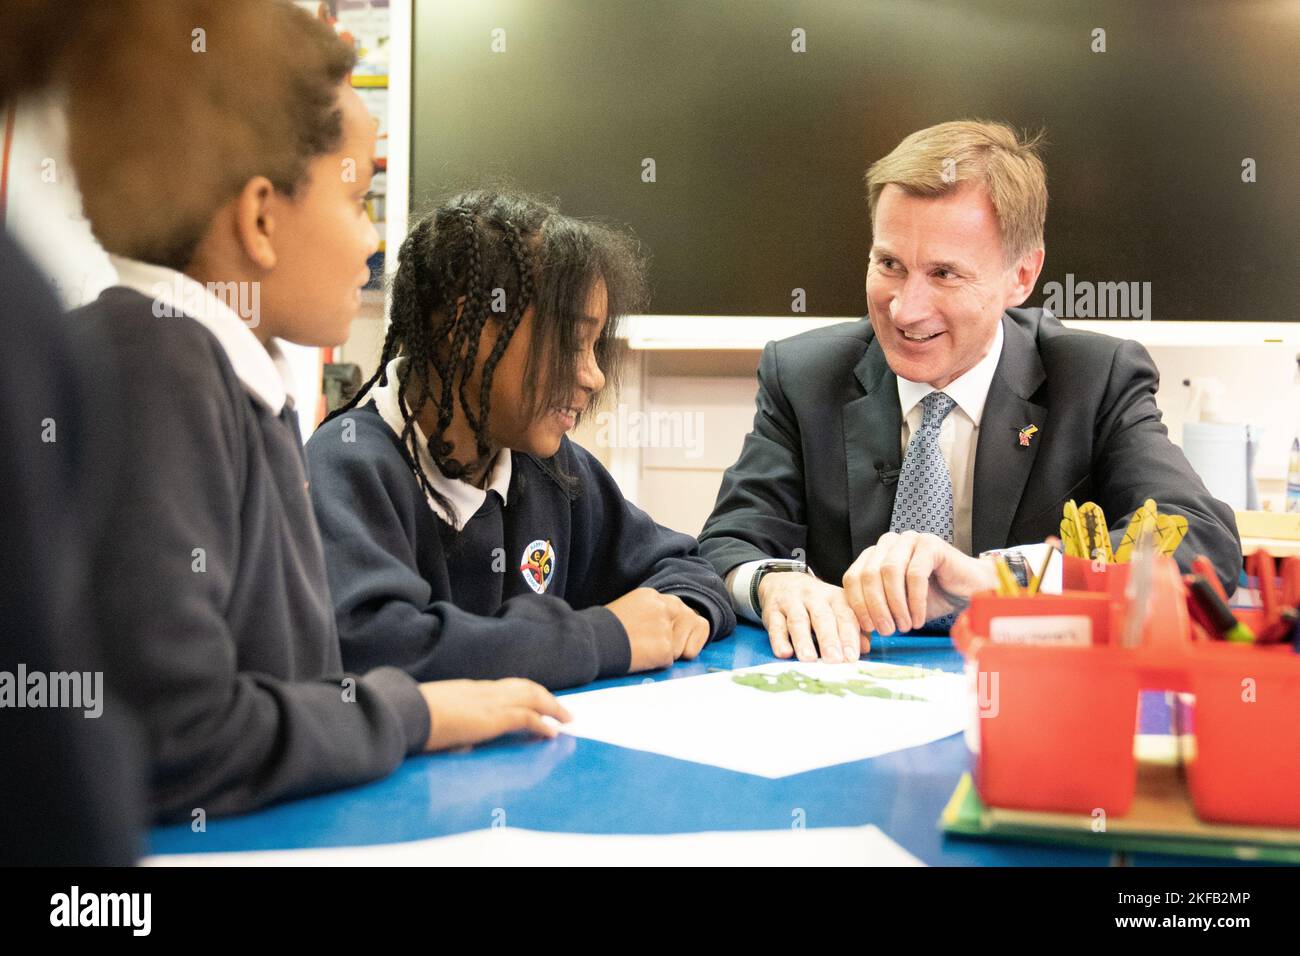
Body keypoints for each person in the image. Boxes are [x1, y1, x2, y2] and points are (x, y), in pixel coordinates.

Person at [67, 0, 568, 824]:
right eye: (358, 197)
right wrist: (414, 713)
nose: (374, 242)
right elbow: (173, 735)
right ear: (262, 218)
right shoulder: (154, 366)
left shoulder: (227, 376)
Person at [699, 120, 1240, 662]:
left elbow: (1198, 542)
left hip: (1034, 698)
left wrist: (997, 578)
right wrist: (777, 583)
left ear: (1021, 275)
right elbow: (728, 542)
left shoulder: (1094, 379)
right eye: (889, 264)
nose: (906, 310)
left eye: (944, 274)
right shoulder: (804, 375)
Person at [306, 192, 735, 690]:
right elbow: (376, 649)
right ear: (463, 333)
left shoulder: (552, 469)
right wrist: (601, 637)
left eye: (596, 347)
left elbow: (686, 568)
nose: (594, 376)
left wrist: (679, 612)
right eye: (571, 342)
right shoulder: (348, 465)